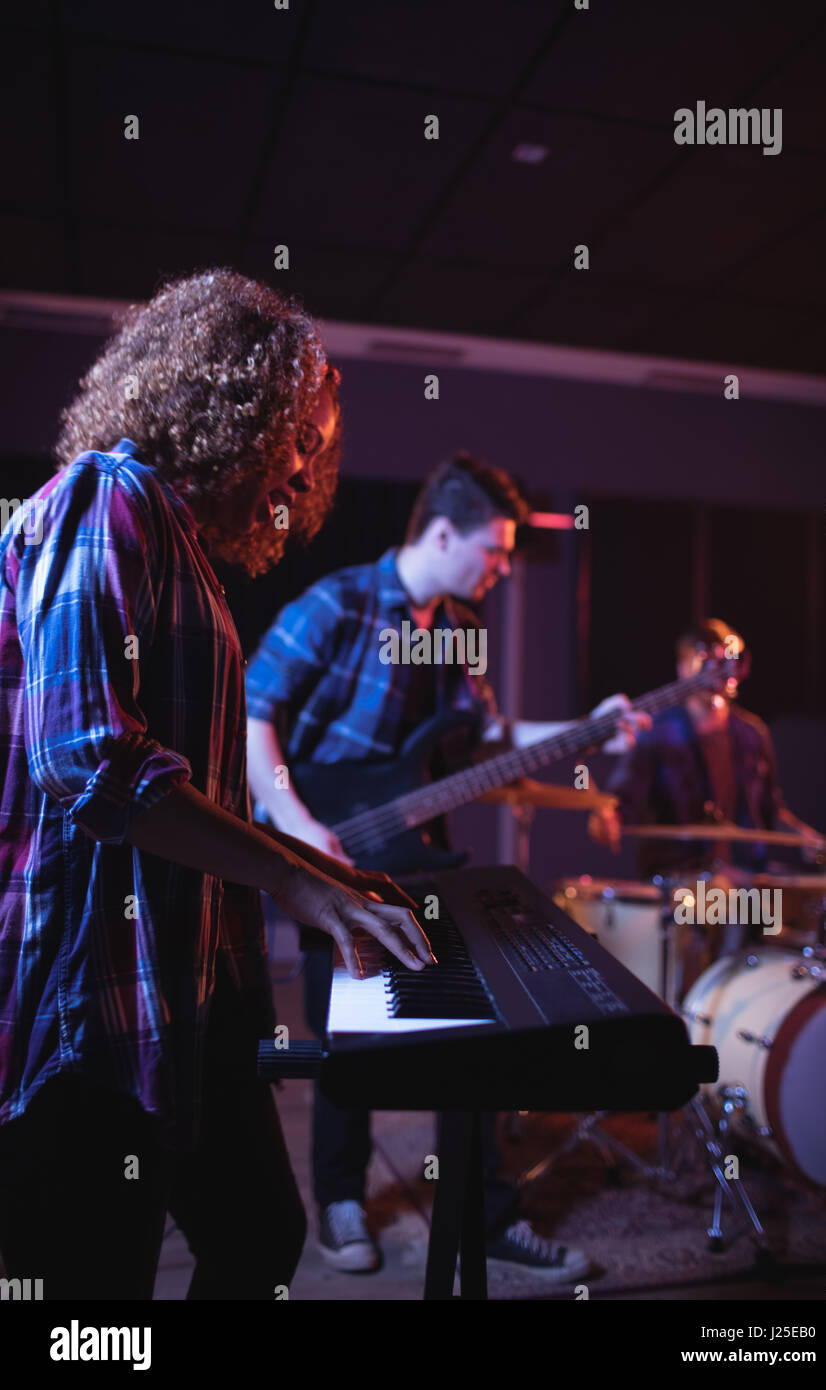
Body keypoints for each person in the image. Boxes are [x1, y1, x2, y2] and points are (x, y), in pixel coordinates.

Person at [0, 269, 431, 1301]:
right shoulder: (107, 499)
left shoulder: (185, 548)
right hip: (90, 1006)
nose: (304, 459)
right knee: (94, 1295)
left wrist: (318, 873)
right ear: (231, 404)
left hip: (189, 990)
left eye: (315, 442)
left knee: (256, 1238)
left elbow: (197, 798)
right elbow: (87, 762)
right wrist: (302, 886)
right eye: (297, 430)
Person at [246, 453, 643, 1280]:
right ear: (439, 532)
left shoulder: (458, 623)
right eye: (493, 551)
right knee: (348, 1032)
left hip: (418, 856)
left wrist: (589, 727)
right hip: (325, 845)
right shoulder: (339, 601)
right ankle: (341, 1203)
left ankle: (489, 1214)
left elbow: (490, 741)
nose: (501, 568)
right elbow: (254, 713)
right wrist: (299, 823)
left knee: (476, 1025)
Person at [589, 619, 821, 963]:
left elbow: (771, 812)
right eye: (709, 661)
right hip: (681, 884)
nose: (721, 669)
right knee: (729, 899)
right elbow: (620, 802)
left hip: (746, 878)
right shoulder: (657, 733)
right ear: (685, 668)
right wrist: (606, 818)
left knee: (809, 899)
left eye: (729, 658)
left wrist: (811, 841)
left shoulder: (752, 734)